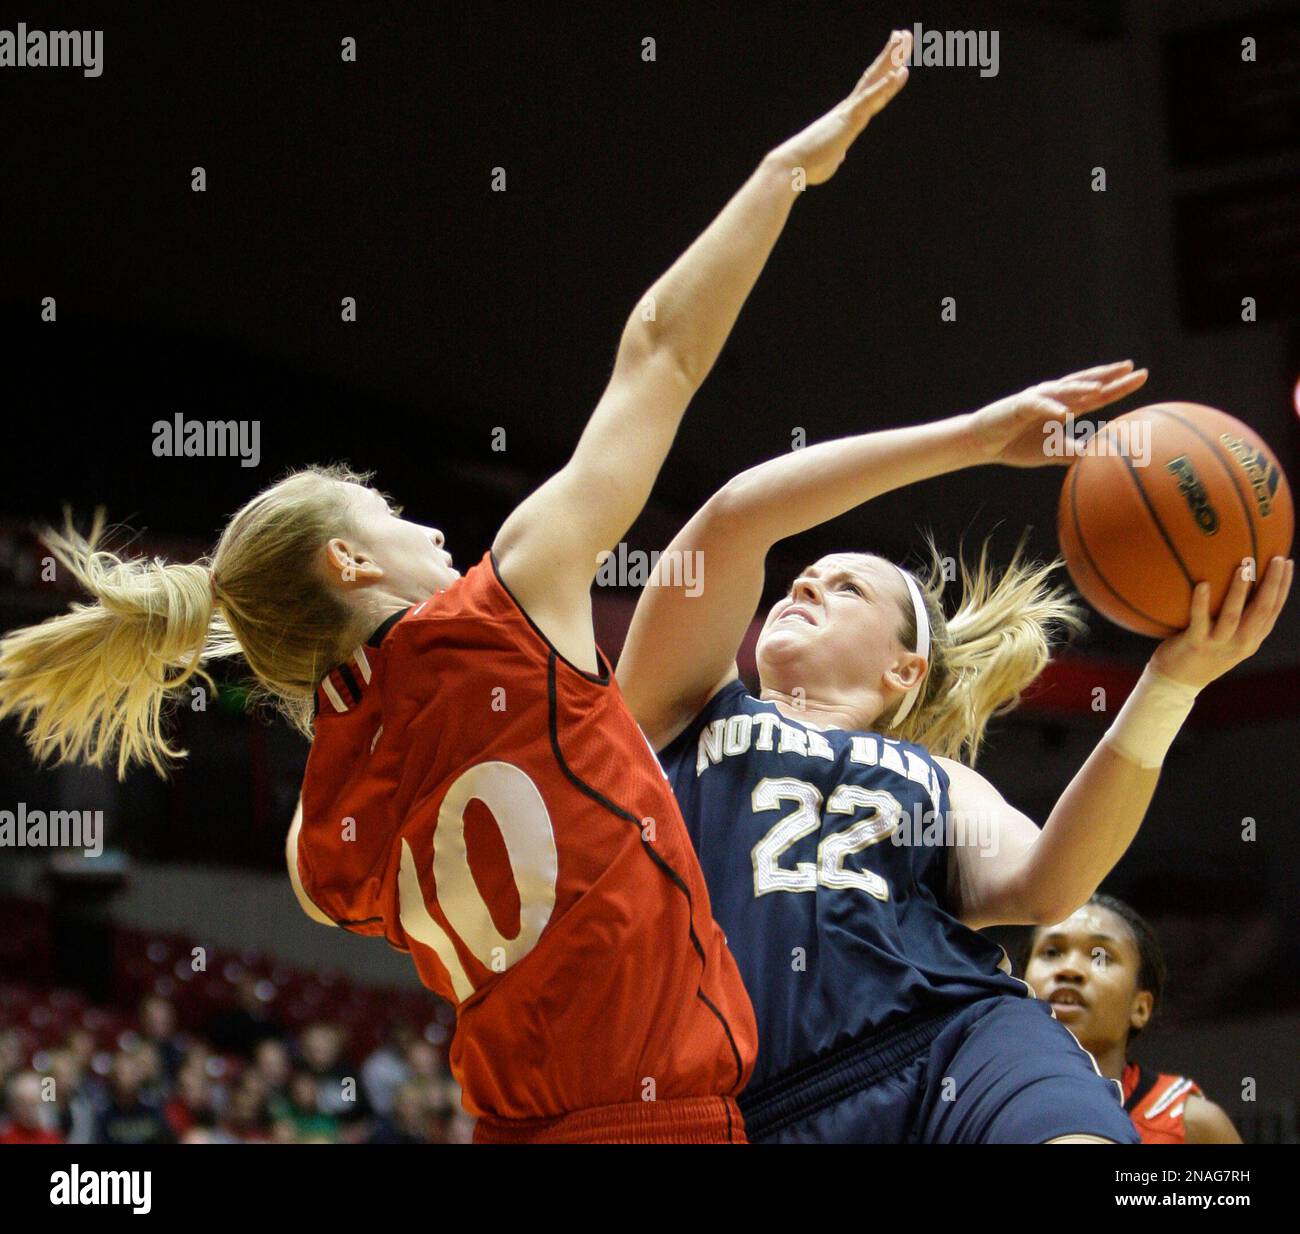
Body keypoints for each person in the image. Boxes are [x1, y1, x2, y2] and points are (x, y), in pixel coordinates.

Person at [0, 29, 918, 1143]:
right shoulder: (506, 610)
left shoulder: (318, 843)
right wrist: (784, 174)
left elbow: (356, 713)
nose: (430, 527)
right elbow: (661, 351)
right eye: (391, 518)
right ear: (348, 563)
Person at [617, 365, 1293, 1142]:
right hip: (771, 1102)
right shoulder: (684, 715)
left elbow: (1050, 884)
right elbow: (737, 517)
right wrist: (972, 438)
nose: (805, 582)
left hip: (962, 1042)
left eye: (848, 589)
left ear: (903, 669)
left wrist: (1171, 685)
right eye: (805, 576)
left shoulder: (938, 780)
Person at [1022, 894, 1242, 1144]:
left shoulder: (1193, 1124)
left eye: (1100, 957)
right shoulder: (984, 1102)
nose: (1069, 969)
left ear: (1140, 1008)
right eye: (1051, 952)